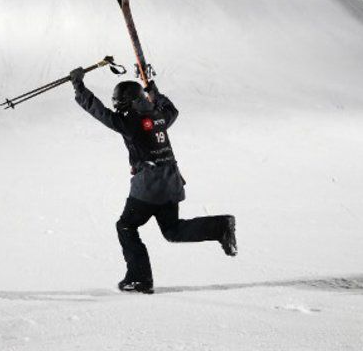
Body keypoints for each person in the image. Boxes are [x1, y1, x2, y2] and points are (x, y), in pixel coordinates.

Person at [69, 67, 237, 295]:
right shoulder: (158, 115)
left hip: (149, 188)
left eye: (119, 102)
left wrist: (78, 85)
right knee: (172, 231)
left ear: (126, 102)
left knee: (126, 226)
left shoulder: (130, 122)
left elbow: (100, 112)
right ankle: (221, 226)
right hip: (171, 184)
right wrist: (152, 89)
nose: (117, 106)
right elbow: (172, 110)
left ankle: (140, 280)